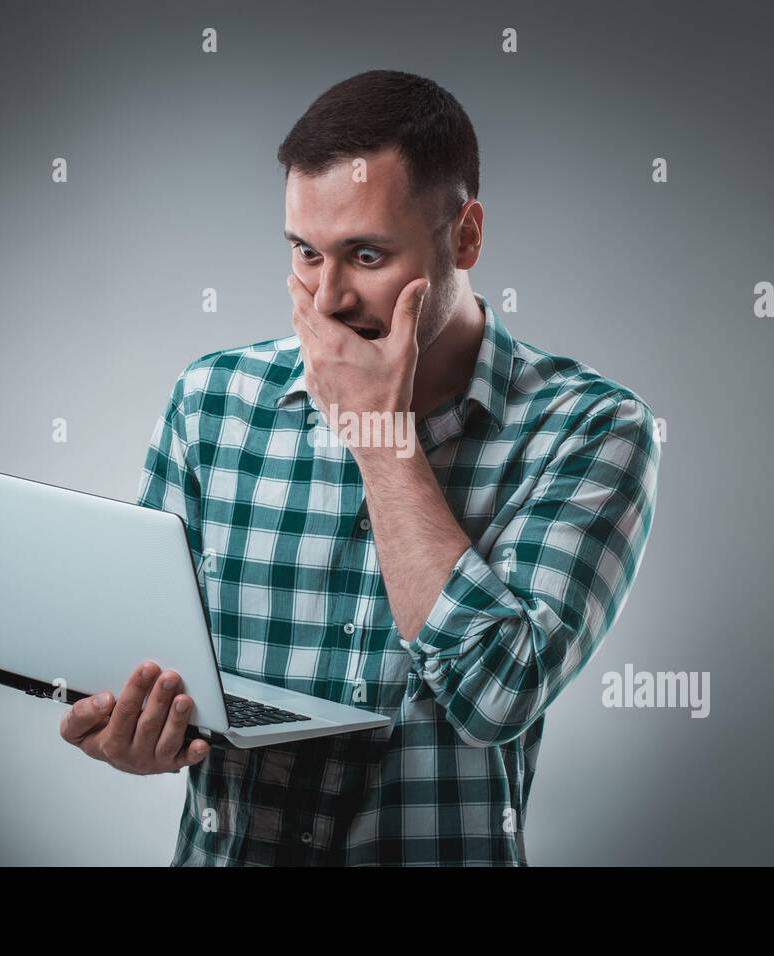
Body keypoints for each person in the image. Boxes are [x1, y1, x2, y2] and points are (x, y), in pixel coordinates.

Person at [59, 69, 661, 865]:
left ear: (466, 237)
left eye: (367, 254)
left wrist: (380, 438)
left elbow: (495, 694)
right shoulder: (212, 401)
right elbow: (140, 660)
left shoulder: (590, 429)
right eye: (306, 253)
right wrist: (135, 730)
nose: (330, 297)